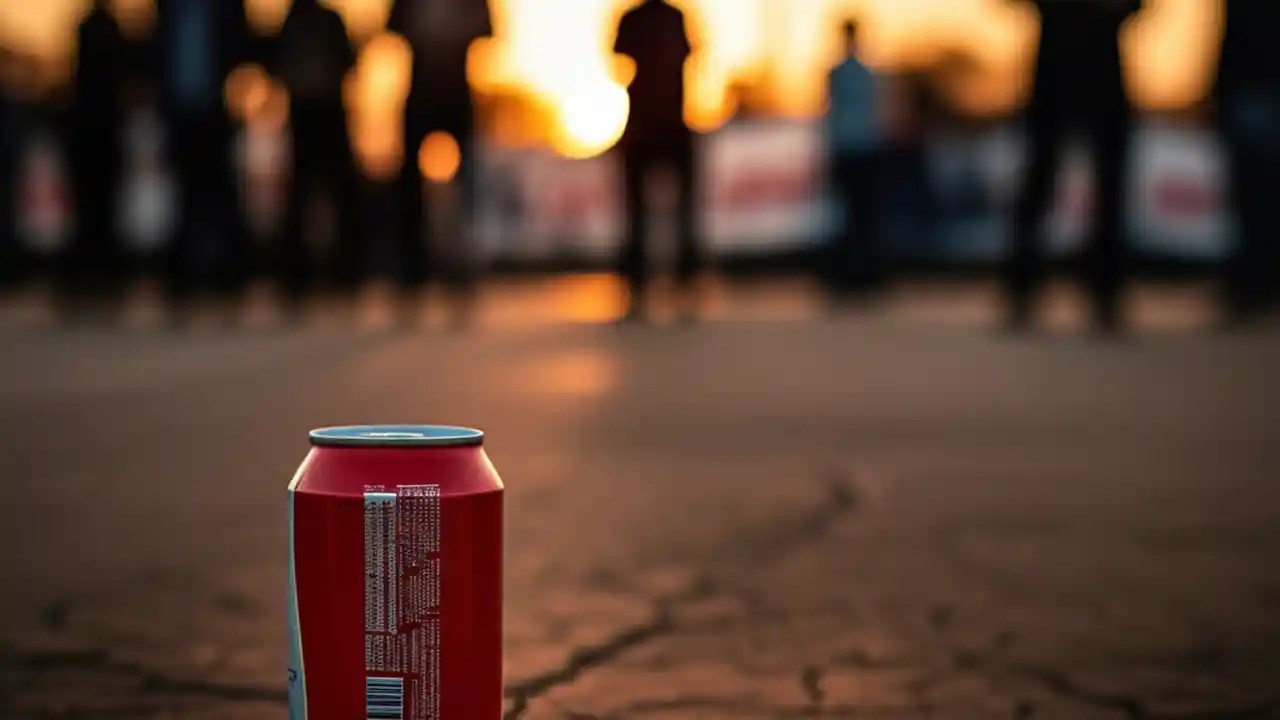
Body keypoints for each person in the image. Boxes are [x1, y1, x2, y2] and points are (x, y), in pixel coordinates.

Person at [1008, 0, 1143, 333]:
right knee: (1039, 184)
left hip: (1100, 74)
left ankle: (1105, 293)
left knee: (1108, 192)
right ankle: (1022, 290)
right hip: (1055, 74)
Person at [388, 0, 491, 307]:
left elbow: (486, 31)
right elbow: (393, 28)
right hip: (420, 96)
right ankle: (411, 274)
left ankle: (461, 270)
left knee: (467, 188)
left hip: (456, 95)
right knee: (409, 190)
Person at [153, 0, 252, 321]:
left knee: (221, 197)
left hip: (215, 112)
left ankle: (226, 279)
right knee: (182, 196)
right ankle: (182, 280)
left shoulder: (226, 8)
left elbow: (243, 49)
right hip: (179, 113)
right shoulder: (169, 8)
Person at [272, 0, 360, 313]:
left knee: (339, 194)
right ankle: (297, 277)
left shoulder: (330, 21)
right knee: (299, 197)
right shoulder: (291, 23)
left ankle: (344, 273)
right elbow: (276, 65)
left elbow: (350, 62)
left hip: (331, 119)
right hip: (302, 120)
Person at [614, 0, 698, 322]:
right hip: (645, 125)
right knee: (638, 215)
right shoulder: (646, 18)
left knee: (679, 214)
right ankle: (640, 289)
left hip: (668, 124)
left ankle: (681, 287)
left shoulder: (673, 17)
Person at [62, 0, 129, 319]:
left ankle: (98, 275)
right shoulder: (93, 27)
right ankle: (92, 275)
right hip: (94, 132)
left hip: (99, 132)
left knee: (98, 206)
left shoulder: (99, 28)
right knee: (92, 206)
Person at [1216, 0, 1280, 322]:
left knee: (1258, 195)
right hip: (1247, 91)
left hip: (1253, 91)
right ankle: (1254, 282)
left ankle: (1257, 282)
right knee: (1251, 195)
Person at [825, 19, 886, 298]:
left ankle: (858, 274)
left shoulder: (859, 74)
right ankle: (852, 274)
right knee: (853, 215)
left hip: (859, 149)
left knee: (859, 215)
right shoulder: (849, 74)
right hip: (853, 149)